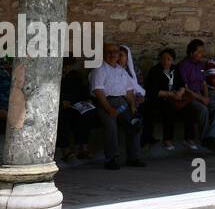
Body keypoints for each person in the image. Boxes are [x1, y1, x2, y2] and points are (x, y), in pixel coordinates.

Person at [89, 41, 145, 170]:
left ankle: (133, 157)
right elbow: (98, 91)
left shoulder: (121, 70)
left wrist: (132, 106)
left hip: (122, 103)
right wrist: (108, 108)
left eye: (115, 52)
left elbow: (129, 91)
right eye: (109, 52)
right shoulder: (99, 70)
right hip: (104, 102)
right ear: (103, 54)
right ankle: (111, 159)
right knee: (111, 126)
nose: (113, 55)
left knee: (134, 123)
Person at [142, 48, 200, 151]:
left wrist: (180, 92)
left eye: (168, 59)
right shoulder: (155, 71)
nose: (165, 61)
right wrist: (170, 94)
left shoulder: (175, 69)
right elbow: (153, 91)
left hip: (175, 98)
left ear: (173, 60)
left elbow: (182, 84)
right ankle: (167, 139)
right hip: (160, 100)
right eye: (163, 58)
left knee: (190, 110)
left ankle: (189, 139)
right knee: (168, 110)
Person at [56, 58, 95, 160]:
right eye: (65, 66)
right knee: (62, 117)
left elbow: (83, 91)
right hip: (60, 106)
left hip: (75, 105)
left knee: (87, 114)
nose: (67, 68)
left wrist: (87, 100)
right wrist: (61, 103)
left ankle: (82, 147)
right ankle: (66, 150)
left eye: (69, 66)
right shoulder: (54, 75)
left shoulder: (75, 76)